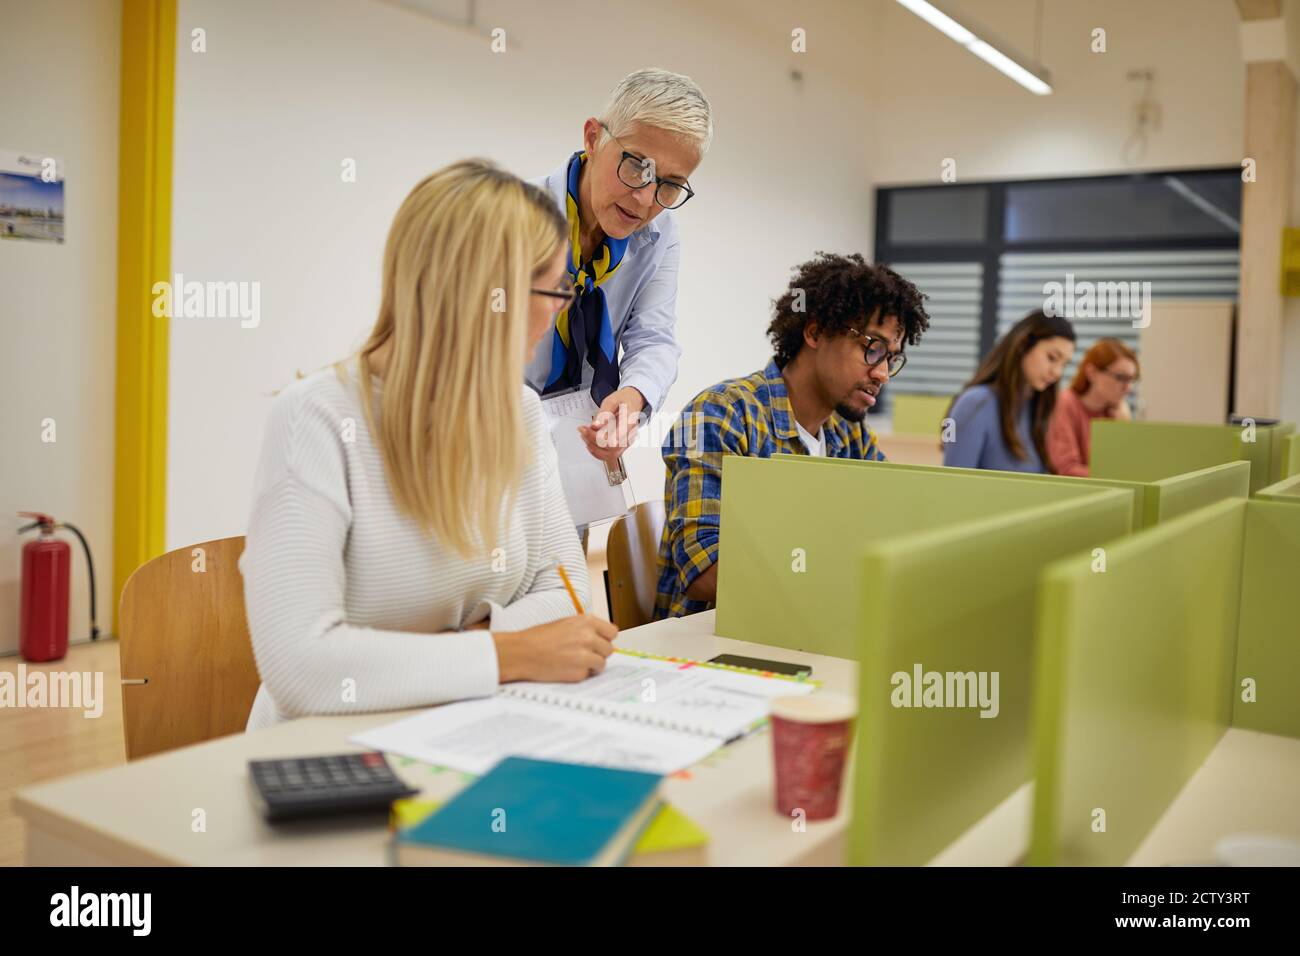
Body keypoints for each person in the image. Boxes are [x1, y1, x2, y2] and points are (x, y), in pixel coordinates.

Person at [241, 160, 617, 730]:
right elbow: (301, 667)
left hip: (464, 723)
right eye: (555, 287)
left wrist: (448, 651)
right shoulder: (315, 417)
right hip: (326, 751)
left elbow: (565, 594)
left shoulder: (517, 409)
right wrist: (510, 652)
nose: (563, 307)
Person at [653, 253, 931, 619]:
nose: (882, 374)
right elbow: (704, 572)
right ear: (814, 332)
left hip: (813, 623)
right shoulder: (722, 415)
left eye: (891, 358)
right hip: (714, 642)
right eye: (872, 348)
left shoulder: (849, 435)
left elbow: (891, 529)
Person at [527, 68, 712, 467]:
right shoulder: (510, 212)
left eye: (670, 184)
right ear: (593, 138)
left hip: (577, 446)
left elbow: (654, 336)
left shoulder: (661, 234)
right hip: (489, 432)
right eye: (636, 166)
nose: (646, 199)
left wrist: (634, 396)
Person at [943, 311, 1076, 474]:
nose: (1057, 372)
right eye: (1052, 357)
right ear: (1023, 345)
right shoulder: (975, 402)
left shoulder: (1038, 408)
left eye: (1064, 364)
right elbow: (953, 484)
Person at [1047, 337, 1139, 477]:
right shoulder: (1065, 404)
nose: (1128, 388)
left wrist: (1124, 427)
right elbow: (1066, 469)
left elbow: (1128, 466)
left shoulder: (1116, 411)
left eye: (1132, 379)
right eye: (1121, 378)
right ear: (1092, 373)